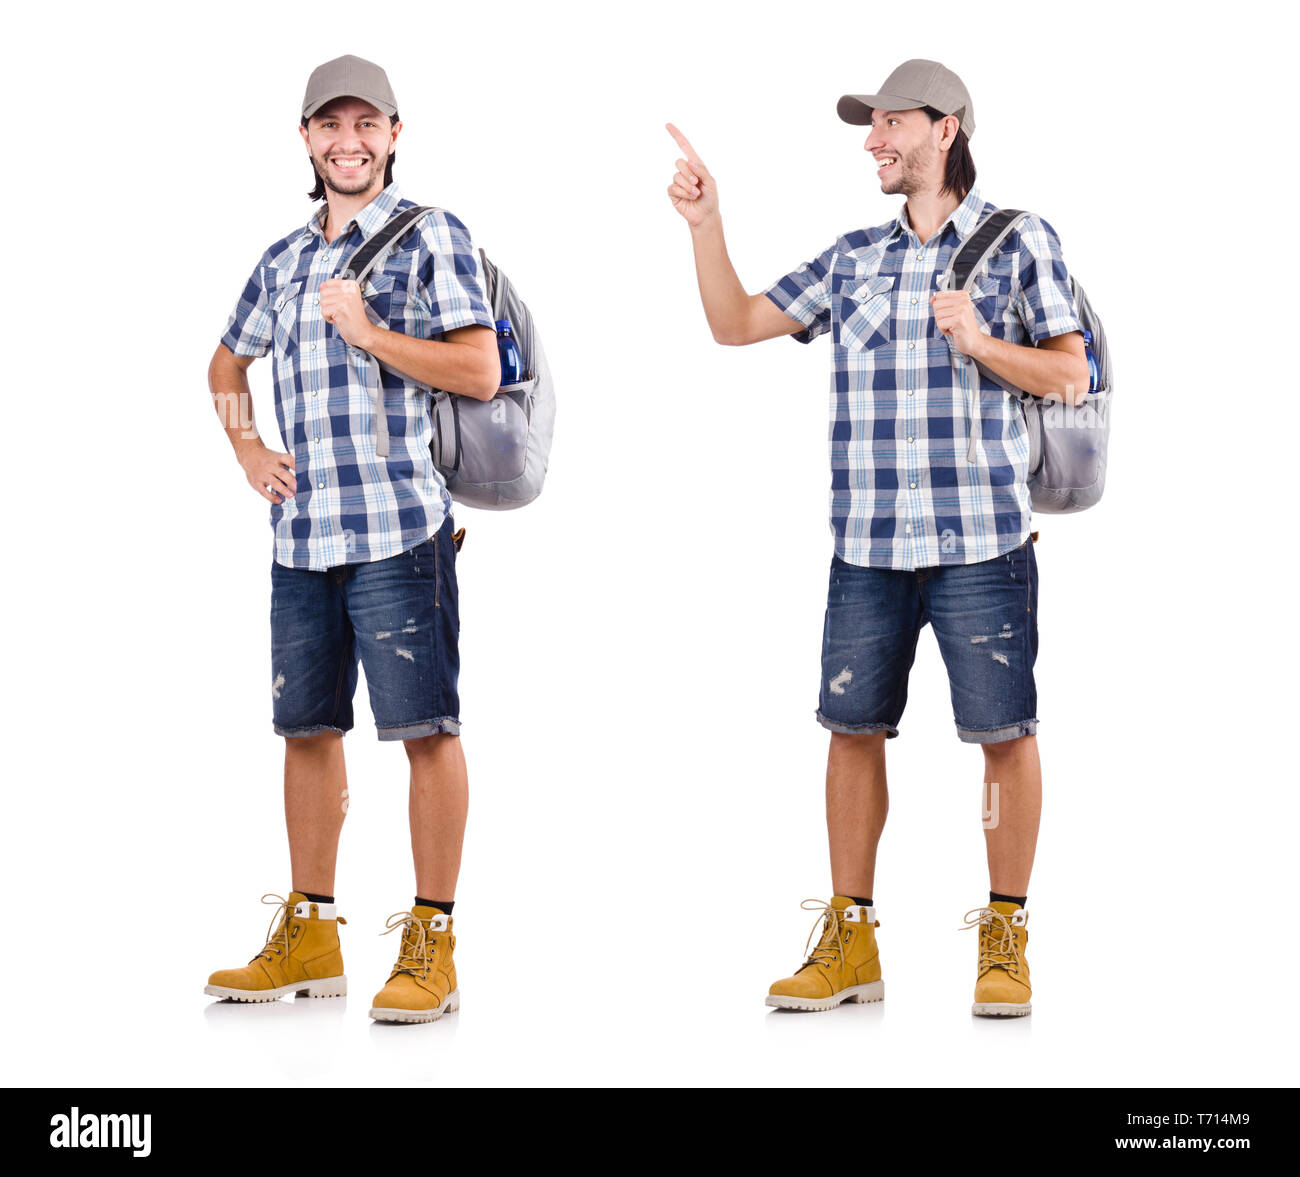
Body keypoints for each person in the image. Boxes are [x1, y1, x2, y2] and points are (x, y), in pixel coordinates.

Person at [666, 59, 1089, 1016]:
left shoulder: (1020, 242)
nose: (873, 141)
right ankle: (851, 942)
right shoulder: (854, 257)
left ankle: (1006, 936)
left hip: (982, 541)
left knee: (1003, 736)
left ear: (946, 130)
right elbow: (735, 324)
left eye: (891, 123)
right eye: (871, 127)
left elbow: (1071, 377)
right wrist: (706, 227)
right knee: (851, 731)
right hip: (865, 547)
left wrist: (983, 343)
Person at [205, 54, 500, 1024]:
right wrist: (249, 448)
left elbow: (480, 370)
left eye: (365, 124)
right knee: (307, 731)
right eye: (329, 126)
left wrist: (372, 334)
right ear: (305, 139)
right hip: (302, 537)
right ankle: (312, 933)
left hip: (399, 533)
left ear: (394, 133)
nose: (348, 142)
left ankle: (431, 939)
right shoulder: (285, 259)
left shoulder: (431, 239)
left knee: (425, 730)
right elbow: (224, 360)